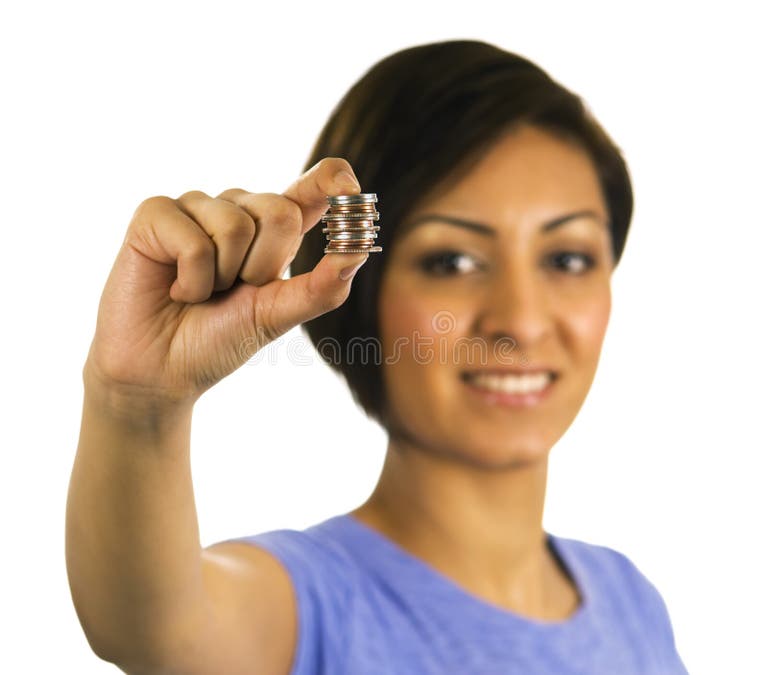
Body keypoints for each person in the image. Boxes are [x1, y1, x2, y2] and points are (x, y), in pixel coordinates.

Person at [66, 39, 689, 674]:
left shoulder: (632, 602)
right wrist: (135, 401)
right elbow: (157, 632)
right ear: (361, 291)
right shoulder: (306, 607)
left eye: (567, 259)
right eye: (451, 261)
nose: (522, 322)